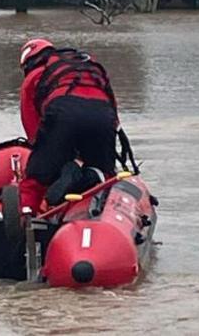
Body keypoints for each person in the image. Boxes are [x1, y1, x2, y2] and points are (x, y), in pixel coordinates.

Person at [17, 39, 125, 213]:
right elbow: (111, 104)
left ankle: (25, 218)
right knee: (106, 173)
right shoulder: (87, 66)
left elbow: (32, 125)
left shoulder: (34, 76)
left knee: (35, 180)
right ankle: (95, 185)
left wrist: (45, 157)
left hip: (63, 114)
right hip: (102, 116)